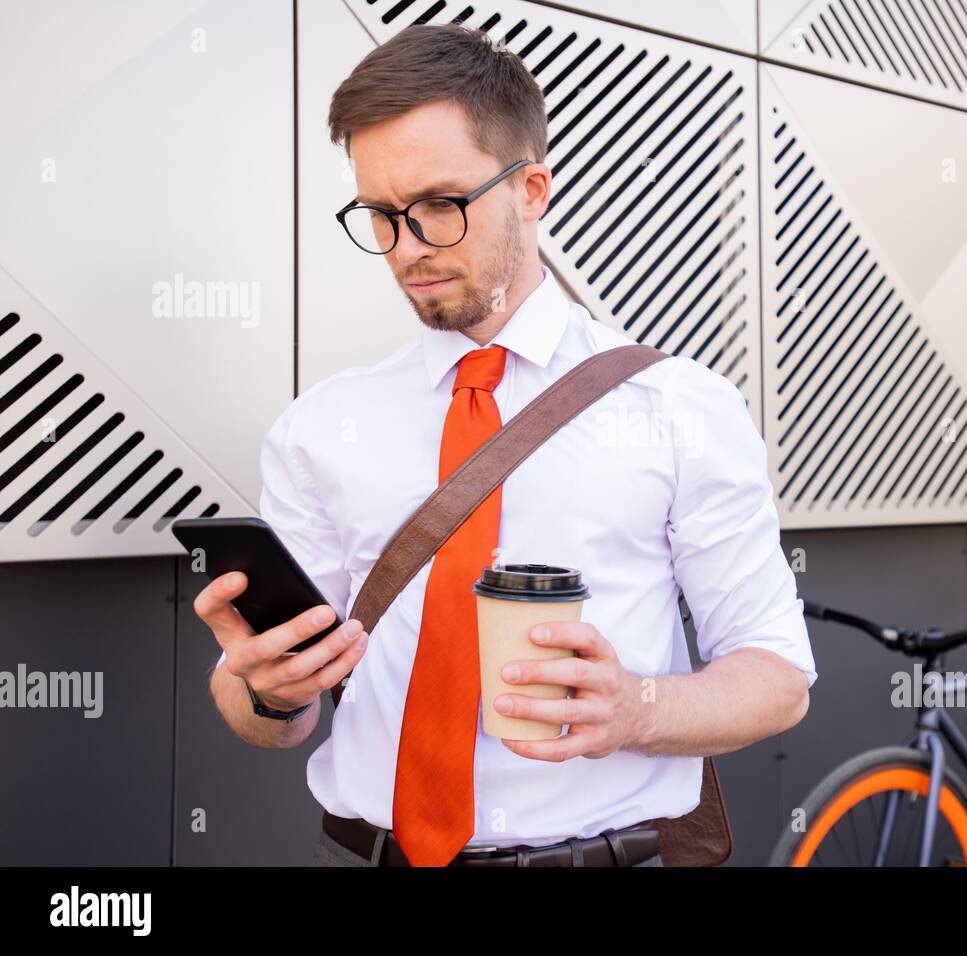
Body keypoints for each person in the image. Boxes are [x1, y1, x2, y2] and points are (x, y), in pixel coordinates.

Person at [193, 23, 816, 868]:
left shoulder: (678, 407)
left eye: (441, 206)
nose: (408, 248)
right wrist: (263, 691)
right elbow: (269, 715)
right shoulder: (320, 427)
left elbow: (776, 679)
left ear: (531, 189)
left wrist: (637, 709)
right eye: (381, 215)